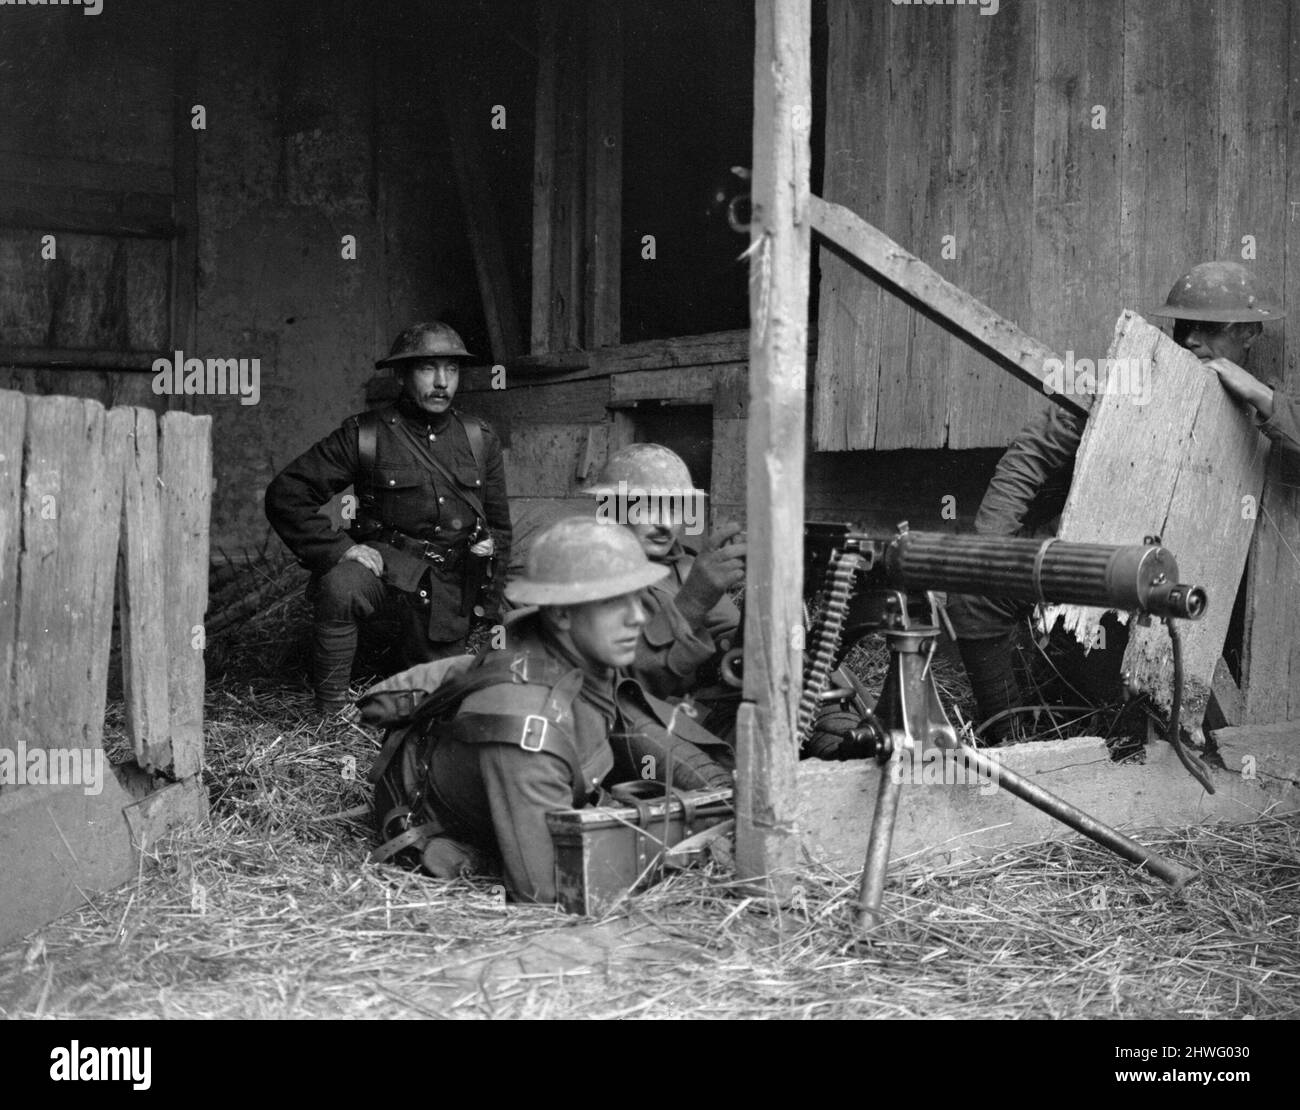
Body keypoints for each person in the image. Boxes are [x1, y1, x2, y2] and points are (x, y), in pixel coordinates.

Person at [948, 261, 1292, 740]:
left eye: (1210, 330)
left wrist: (1255, 393)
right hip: (1102, 551)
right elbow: (1035, 450)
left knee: (1140, 702)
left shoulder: (1270, 401)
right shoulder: (1136, 373)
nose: (1192, 340)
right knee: (973, 593)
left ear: (1250, 334)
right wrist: (989, 547)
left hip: (1196, 586)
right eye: (1184, 326)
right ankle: (1009, 740)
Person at [367, 516, 733, 905]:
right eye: (612, 602)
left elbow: (643, 673)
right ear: (560, 614)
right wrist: (682, 853)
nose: (638, 616)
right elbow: (547, 895)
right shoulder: (526, 729)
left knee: (633, 707)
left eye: (639, 596)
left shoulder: (569, 643)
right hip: (453, 809)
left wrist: (718, 797)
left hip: (551, 772)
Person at [265, 322, 511, 714]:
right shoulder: (366, 435)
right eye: (428, 368)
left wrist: (488, 602)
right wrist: (339, 550)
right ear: (400, 374)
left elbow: (499, 528)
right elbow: (287, 493)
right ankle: (329, 716)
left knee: (440, 703)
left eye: (452, 369)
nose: (442, 382)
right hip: (387, 578)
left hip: (446, 590)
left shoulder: (479, 438)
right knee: (341, 587)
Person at [583, 444, 745, 741]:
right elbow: (614, 691)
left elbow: (733, 646)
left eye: (675, 507)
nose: (666, 524)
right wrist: (693, 601)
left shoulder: (685, 568)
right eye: (646, 507)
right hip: (635, 737)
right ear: (608, 507)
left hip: (697, 717)